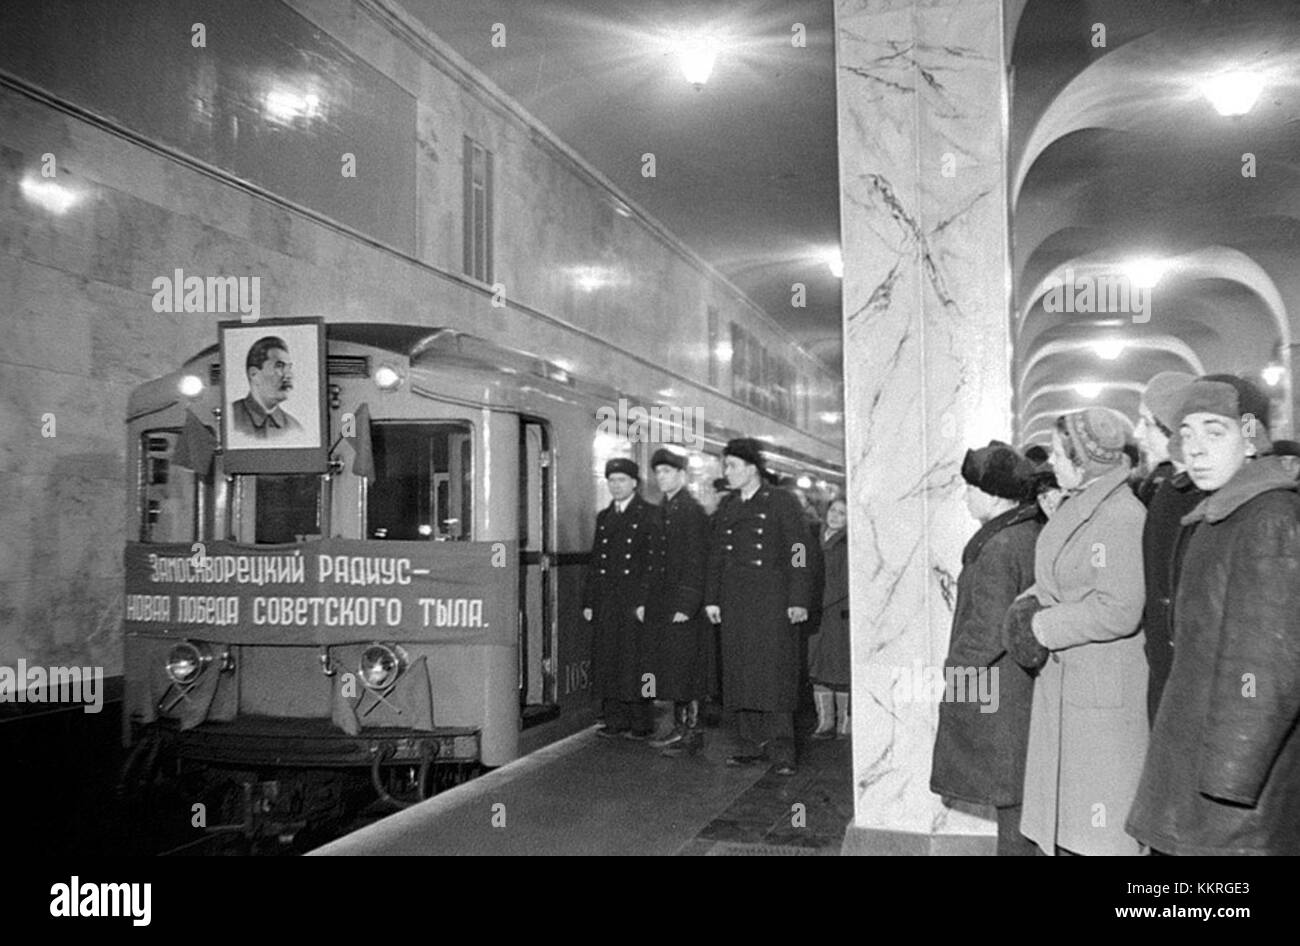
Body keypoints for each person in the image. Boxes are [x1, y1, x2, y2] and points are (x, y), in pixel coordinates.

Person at [1126, 377, 1300, 855]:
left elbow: (1264, 671)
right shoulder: (1223, 512)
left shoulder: (1269, 519)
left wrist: (1223, 783)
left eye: (1214, 431)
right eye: (1186, 431)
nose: (1195, 448)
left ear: (1250, 438)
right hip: (1199, 773)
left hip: (1230, 798)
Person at [1003, 407, 1148, 856]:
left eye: (1061, 454)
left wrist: (1043, 626)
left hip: (1099, 696)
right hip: (1070, 687)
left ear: (1084, 461)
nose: (1052, 464)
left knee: (1097, 834)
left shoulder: (1119, 515)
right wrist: (1026, 602)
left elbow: (1120, 607)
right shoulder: (1081, 504)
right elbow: (1061, 577)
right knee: (1070, 831)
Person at [931, 442, 1043, 856]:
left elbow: (987, 629)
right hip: (1014, 684)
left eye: (971, 489)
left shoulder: (997, 546)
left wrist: (953, 672)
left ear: (994, 495)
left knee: (1008, 789)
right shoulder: (1024, 532)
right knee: (1013, 790)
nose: (966, 496)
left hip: (997, 687)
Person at [705, 438, 811, 776]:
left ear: (752, 469)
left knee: (774, 675)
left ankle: (782, 751)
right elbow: (718, 555)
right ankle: (752, 745)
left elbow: (799, 550)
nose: (728, 473)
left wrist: (798, 598)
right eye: (726, 466)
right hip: (736, 601)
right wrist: (712, 597)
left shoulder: (782, 501)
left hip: (773, 601)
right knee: (741, 674)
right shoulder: (729, 507)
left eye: (732, 466)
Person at [1132, 371, 1201, 723]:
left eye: (1146, 422)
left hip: (1195, 690)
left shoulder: (1208, 499)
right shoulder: (1166, 496)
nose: (1137, 434)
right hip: (1164, 682)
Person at [641, 448, 711, 756]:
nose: (662, 477)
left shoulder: (690, 511)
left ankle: (690, 732)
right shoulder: (664, 509)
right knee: (671, 667)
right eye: (658, 473)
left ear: (681, 475)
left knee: (686, 669)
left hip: (682, 606)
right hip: (664, 603)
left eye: (668, 472)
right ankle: (677, 729)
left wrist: (687, 603)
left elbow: (697, 561)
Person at [583, 458, 659, 739]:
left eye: (622, 481)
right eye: (612, 481)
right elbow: (596, 563)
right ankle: (615, 719)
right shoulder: (605, 517)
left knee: (637, 662)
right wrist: (589, 601)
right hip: (608, 600)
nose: (616, 486)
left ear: (634, 484)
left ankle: (642, 721)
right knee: (609, 659)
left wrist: (645, 601)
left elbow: (653, 565)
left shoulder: (650, 515)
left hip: (634, 601)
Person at [808, 497, 850, 739]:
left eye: (842, 513)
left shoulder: (848, 544)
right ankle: (824, 722)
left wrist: (815, 600)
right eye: (833, 510)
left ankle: (845, 724)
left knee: (839, 670)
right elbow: (797, 564)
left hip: (836, 615)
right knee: (816, 667)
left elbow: (843, 583)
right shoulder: (807, 539)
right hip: (814, 614)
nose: (835, 516)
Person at [231, 336, 303, 439]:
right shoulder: (230, 418)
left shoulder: (294, 427)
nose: (289, 375)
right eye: (279, 366)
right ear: (254, 374)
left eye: (289, 368)